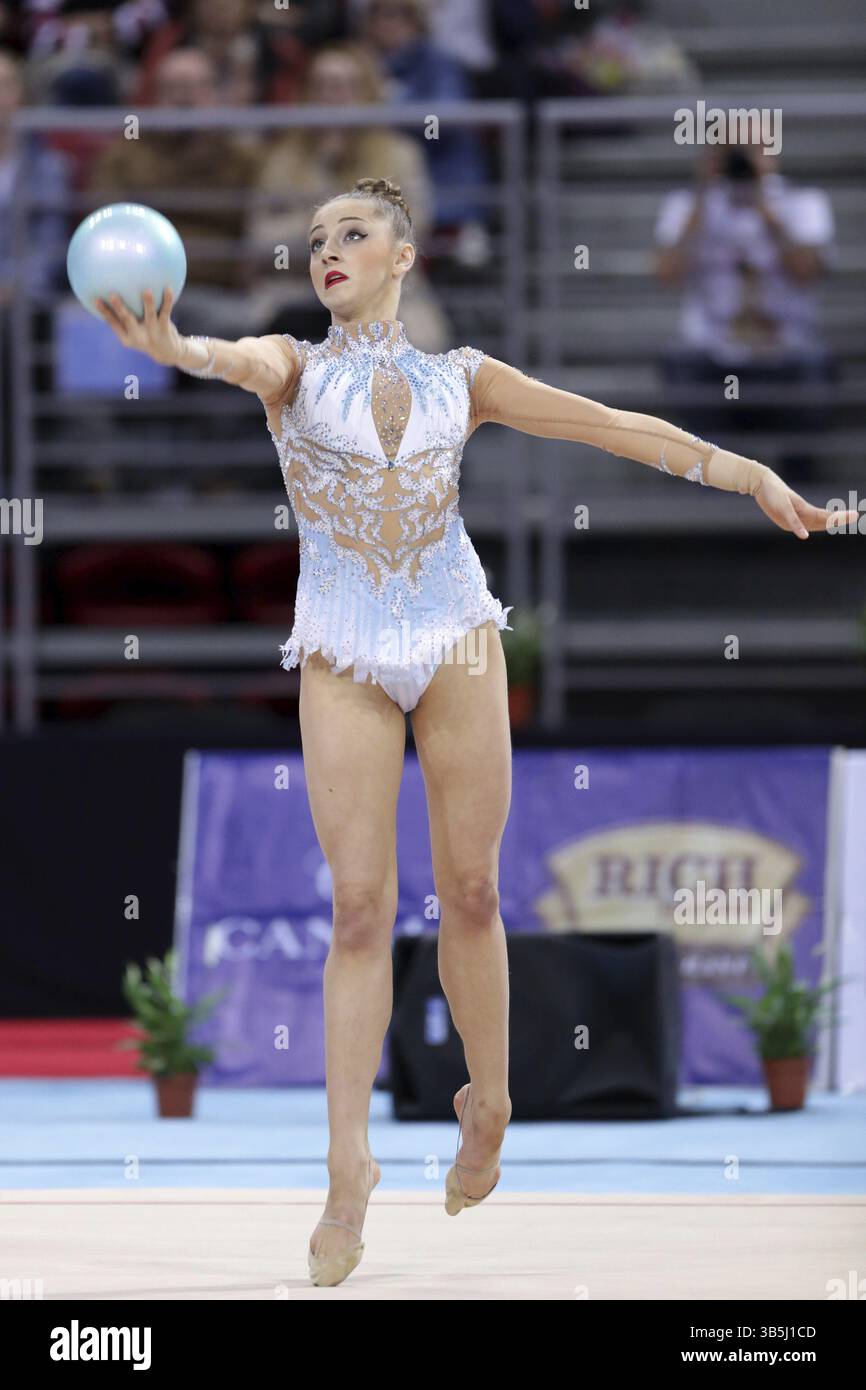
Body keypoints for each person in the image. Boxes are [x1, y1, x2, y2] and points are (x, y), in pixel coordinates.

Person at [94, 176, 852, 1288]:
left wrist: (745, 474)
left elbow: (606, 426)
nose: (328, 251)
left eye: (352, 234)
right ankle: (346, 1169)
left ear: (404, 256)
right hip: (345, 640)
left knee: (475, 890)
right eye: (315, 240)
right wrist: (180, 349)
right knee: (358, 905)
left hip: (452, 631)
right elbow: (239, 357)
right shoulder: (296, 368)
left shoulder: (465, 379)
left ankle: (488, 1102)